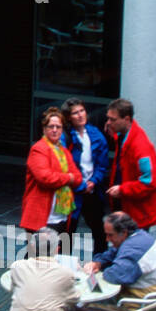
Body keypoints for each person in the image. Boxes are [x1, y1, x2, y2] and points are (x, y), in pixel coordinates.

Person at [84, 212, 156, 311]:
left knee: (87, 309)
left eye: (110, 235)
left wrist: (98, 273)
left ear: (124, 233)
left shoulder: (132, 251)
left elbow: (113, 276)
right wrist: (98, 262)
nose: (107, 239)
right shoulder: (139, 235)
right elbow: (114, 251)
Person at [104, 98, 156, 233]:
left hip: (136, 215)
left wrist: (122, 190)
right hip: (129, 210)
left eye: (112, 120)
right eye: (108, 118)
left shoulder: (140, 147)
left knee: (132, 249)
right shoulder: (125, 136)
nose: (108, 123)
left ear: (126, 119)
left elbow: (149, 182)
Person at [20, 107, 83, 234]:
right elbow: (45, 178)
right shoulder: (38, 149)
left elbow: (78, 178)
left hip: (61, 214)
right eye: (51, 126)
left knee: (56, 252)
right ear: (44, 129)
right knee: (38, 253)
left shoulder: (63, 151)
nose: (55, 130)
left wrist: (66, 177)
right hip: (43, 215)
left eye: (58, 127)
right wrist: (68, 178)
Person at [62, 98, 110, 256]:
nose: (80, 115)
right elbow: (64, 165)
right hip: (72, 191)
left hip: (92, 190)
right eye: (75, 113)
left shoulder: (95, 134)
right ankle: (64, 267)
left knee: (99, 231)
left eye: (82, 111)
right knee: (67, 231)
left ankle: (100, 264)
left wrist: (93, 182)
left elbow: (102, 165)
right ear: (69, 117)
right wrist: (80, 184)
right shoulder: (66, 137)